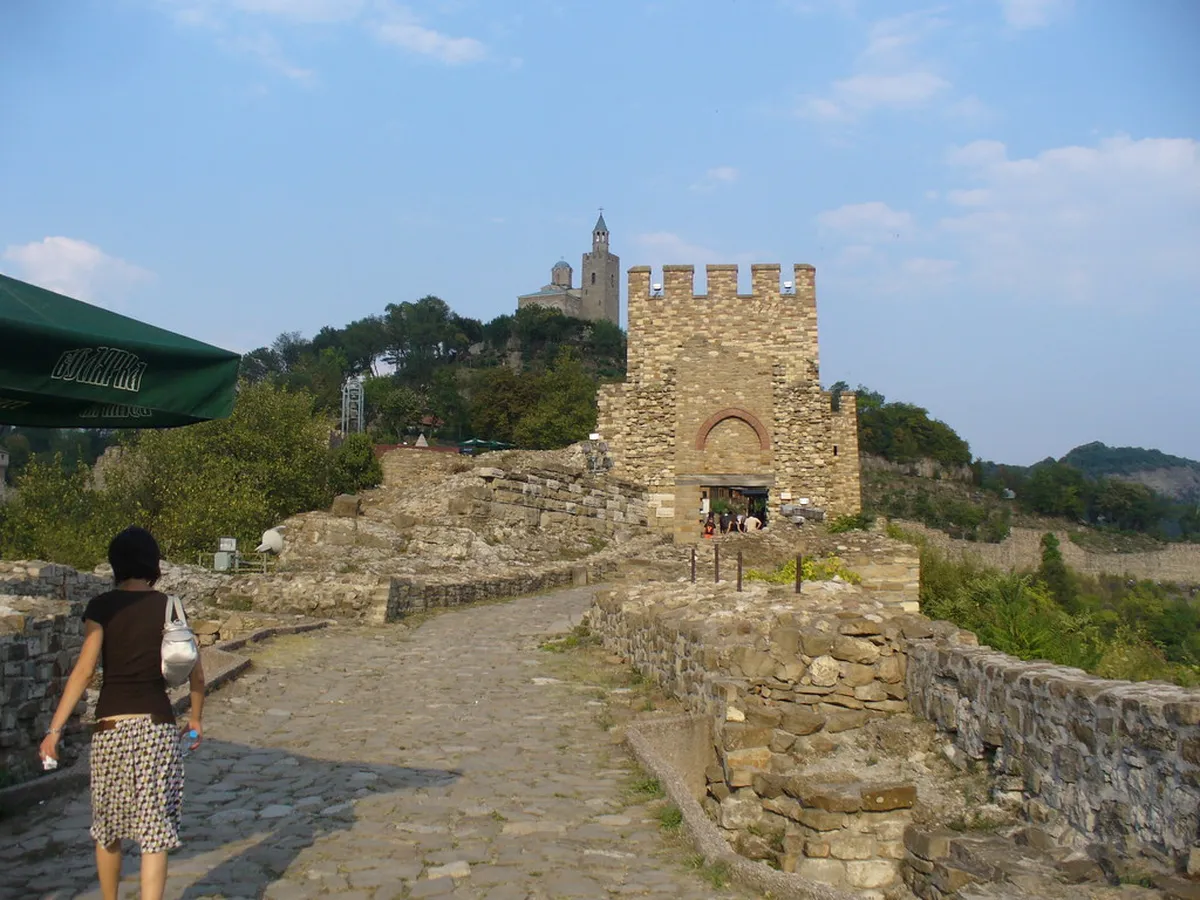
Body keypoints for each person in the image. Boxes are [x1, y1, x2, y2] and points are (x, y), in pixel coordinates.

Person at [40, 526, 206, 900]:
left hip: (111, 729)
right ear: (153, 562)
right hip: (158, 728)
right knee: (154, 831)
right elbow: (197, 675)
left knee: (108, 828)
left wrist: (54, 730)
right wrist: (195, 720)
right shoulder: (170, 606)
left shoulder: (101, 607)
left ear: (116, 563)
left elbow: (84, 671)